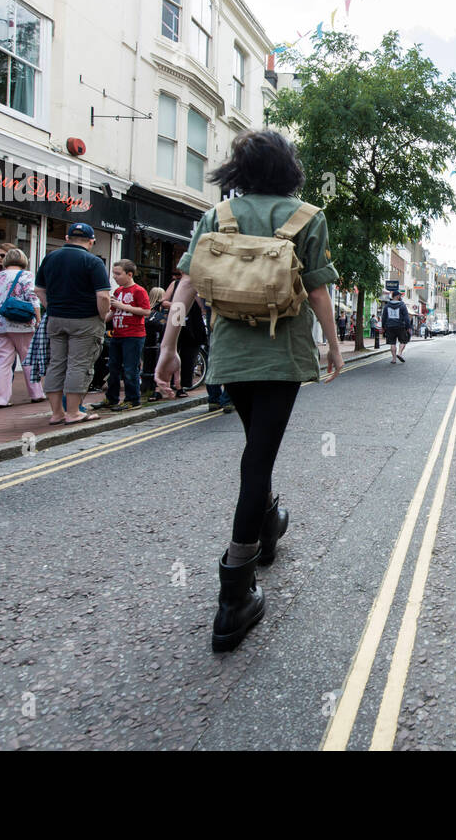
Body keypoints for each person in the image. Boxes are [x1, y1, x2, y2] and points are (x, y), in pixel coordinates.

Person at [155, 128, 342, 653]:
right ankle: (233, 591)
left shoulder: (219, 217)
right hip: (281, 356)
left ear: (238, 169)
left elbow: (186, 286)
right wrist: (332, 344)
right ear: (289, 169)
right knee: (257, 459)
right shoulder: (307, 216)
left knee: (256, 446)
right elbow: (319, 289)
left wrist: (170, 346)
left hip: (230, 355)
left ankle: (268, 521)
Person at [35, 223, 110, 425]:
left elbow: (38, 289)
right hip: (85, 320)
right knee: (78, 364)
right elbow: (103, 296)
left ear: (67, 238)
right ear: (91, 241)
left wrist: (52, 307)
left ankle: (56, 413)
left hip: (55, 318)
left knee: (56, 363)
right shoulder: (93, 262)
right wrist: (103, 316)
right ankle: (74, 412)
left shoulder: (50, 257)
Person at [0, 247, 46, 408]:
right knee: (29, 359)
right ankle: (36, 393)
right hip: (22, 324)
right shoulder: (26, 275)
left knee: (0, 362)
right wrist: (38, 319)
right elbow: (33, 299)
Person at [95, 259, 150, 412]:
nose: (114, 277)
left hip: (133, 336)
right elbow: (113, 311)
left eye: (118, 274)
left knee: (130, 369)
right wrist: (100, 322)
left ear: (129, 274)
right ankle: (112, 399)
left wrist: (123, 306)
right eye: (114, 273)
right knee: (113, 368)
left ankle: (133, 400)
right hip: (118, 335)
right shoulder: (118, 291)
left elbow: (146, 311)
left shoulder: (139, 291)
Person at [163, 269, 208, 397]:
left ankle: (182, 386)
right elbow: (164, 301)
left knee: (189, 356)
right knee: (172, 352)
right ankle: (167, 386)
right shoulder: (176, 284)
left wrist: (193, 294)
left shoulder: (200, 285)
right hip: (178, 316)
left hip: (194, 322)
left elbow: (204, 307)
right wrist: (180, 303)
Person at [382, 290, 410, 364]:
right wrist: (408, 327)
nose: (400, 297)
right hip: (400, 326)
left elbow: (384, 317)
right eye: (400, 296)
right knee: (403, 341)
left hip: (390, 326)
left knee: (392, 343)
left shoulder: (387, 305)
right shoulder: (402, 305)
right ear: (397, 296)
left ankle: (394, 359)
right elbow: (406, 317)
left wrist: (383, 326)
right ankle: (399, 353)